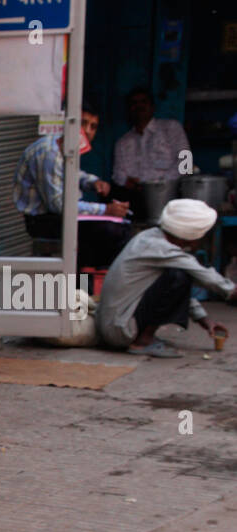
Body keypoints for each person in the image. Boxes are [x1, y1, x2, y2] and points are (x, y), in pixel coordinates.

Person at [95, 199, 236, 358]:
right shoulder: (162, 249)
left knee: (179, 276)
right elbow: (207, 278)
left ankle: (143, 337)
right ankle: (143, 342)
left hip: (112, 325)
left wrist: (206, 322)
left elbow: (176, 291)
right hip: (118, 330)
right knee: (179, 277)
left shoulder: (150, 237)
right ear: (190, 237)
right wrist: (231, 290)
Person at [13, 105, 132, 268]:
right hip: (43, 220)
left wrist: (92, 182)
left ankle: (85, 282)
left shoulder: (67, 147)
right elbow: (58, 205)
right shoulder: (50, 153)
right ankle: (83, 284)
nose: (88, 131)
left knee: (122, 227)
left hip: (59, 216)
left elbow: (72, 174)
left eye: (93, 127)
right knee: (110, 231)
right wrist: (105, 210)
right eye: (83, 124)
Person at [112, 86, 191, 206]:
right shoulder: (123, 142)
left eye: (144, 102)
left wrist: (157, 183)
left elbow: (186, 163)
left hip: (170, 195)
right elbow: (118, 175)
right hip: (136, 199)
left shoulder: (171, 128)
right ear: (129, 109)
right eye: (134, 103)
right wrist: (128, 182)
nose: (139, 106)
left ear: (152, 107)